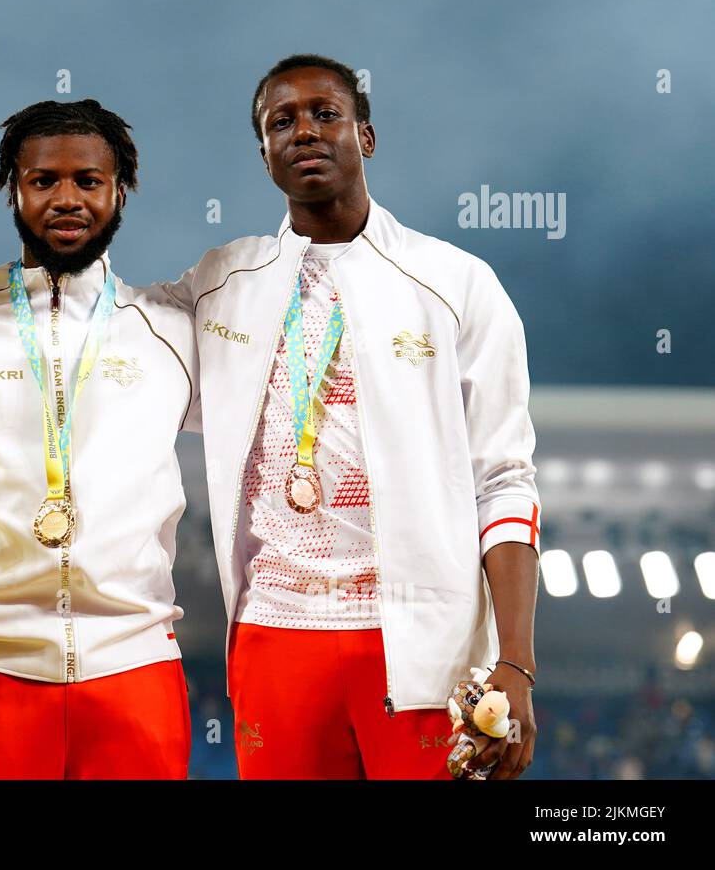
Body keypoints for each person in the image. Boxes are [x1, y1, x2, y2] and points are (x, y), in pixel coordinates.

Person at [164, 54, 540, 779]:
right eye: (282, 121)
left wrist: (517, 662)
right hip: (275, 633)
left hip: (424, 638)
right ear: (264, 153)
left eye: (324, 113)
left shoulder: (458, 284)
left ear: (365, 137)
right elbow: (120, 345)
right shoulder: (221, 282)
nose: (303, 130)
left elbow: (505, 481)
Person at [0, 99, 197, 779]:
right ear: (13, 188)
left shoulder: (172, 331)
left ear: (120, 190)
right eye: (43, 181)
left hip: (137, 667)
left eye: (88, 181)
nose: (67, 198)